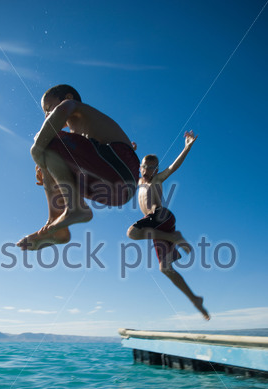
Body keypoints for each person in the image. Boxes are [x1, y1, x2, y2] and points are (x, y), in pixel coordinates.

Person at [17, 84, 140, 250]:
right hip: (115, 193)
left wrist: (37, 149)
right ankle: (56, 224)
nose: (46, 114)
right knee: (50, 155)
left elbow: (61, 111)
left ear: (67, 98)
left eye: (48, 107)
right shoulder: (80, 139)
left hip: (120, 167)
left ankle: (74, 209)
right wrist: (49, 171)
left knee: (45, 140)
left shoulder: (74, 107)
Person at [127, 131, 210, 320]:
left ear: (156, 170)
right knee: (165, 269)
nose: (147, 171)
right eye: (144, 167)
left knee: (132, 232)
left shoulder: (156, 180)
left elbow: (173, 167)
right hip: (156, 228)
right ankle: (195, 299)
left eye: (151, 168)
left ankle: (174, 237)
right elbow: (127, 169)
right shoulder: (138, 181)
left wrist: (187, 147)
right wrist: (130, 151)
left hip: (162, 217)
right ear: (140, 168)